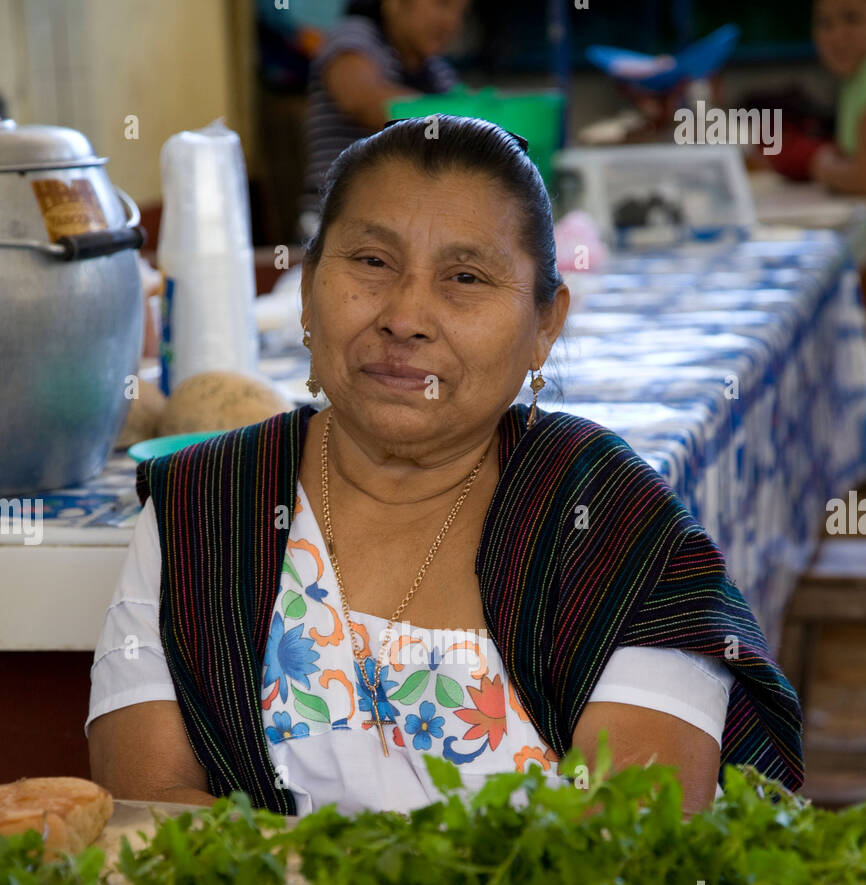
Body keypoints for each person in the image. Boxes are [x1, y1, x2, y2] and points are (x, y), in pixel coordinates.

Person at [87, 117, 803, 819]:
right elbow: (151, 814)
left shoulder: (610, 524)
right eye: (371, 262)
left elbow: (631, 834)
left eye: (465, 276)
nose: (406, 316)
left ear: (544, 327)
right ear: (306, 293)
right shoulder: (202, 506)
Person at [299, 0, 467, 236]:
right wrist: (457, 117)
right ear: (395, 4)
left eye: (461, 13)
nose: (452, 23)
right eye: (442, 5)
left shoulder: (437, 72)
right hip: (334, 220)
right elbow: (360, 99)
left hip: (402, 223)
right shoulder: (354, 36)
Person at [809, 0, 866, 193]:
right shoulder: (852, 81)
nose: (838, 36)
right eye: (825, 23)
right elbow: (845, 153)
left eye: (852, 19)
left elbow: (862, 178)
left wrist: (821, 166)